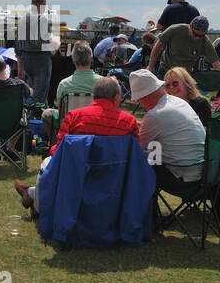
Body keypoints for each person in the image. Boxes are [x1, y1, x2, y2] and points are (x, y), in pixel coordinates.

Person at [13, 75, 136, 218]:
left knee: (47, 162)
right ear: (116, 98)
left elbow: (60, 150)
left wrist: (51, 151)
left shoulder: (75, 116)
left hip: (77, 176)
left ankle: (36, 200)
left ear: (94, 97)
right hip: (114, 179)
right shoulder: (129, 122)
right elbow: (136, 153)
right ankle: (32, 194)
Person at [130, 68, 205, 196]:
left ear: (146, 96)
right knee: (152, 152)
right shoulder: (178, 102)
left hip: (182, 178)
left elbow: (140, 147)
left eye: (138, 99)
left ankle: (143, 208)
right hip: (201, 172)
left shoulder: (155, 115)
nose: (139, 103)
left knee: (135, 158)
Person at [43, 41, 98, 143]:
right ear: (91, 59)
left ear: (73, 60)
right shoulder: (103, 82)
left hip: (70, 125)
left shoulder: (64, 84)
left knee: (47, 114)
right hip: (95, 125)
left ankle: (57, 143)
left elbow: (61, 108)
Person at [148, 16, 220, 75]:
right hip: (166, 70)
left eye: (201, 36)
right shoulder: (175, 30)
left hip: (186, 75)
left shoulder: (204, 41)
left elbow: (216, 64)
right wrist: (150, 66)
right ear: (190, 27)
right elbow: (158, 45)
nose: (197, 38)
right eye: (195, 34)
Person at [14, 0, 52, 104]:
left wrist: (20, 63)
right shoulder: (42, 19)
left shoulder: (22, 20)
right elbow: (44, 43)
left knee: (31, 91)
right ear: (42, 4)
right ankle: (37, 118)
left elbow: (18, 43)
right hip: (41, 60)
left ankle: (30, 115)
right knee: (40, 95)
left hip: (26, 60)